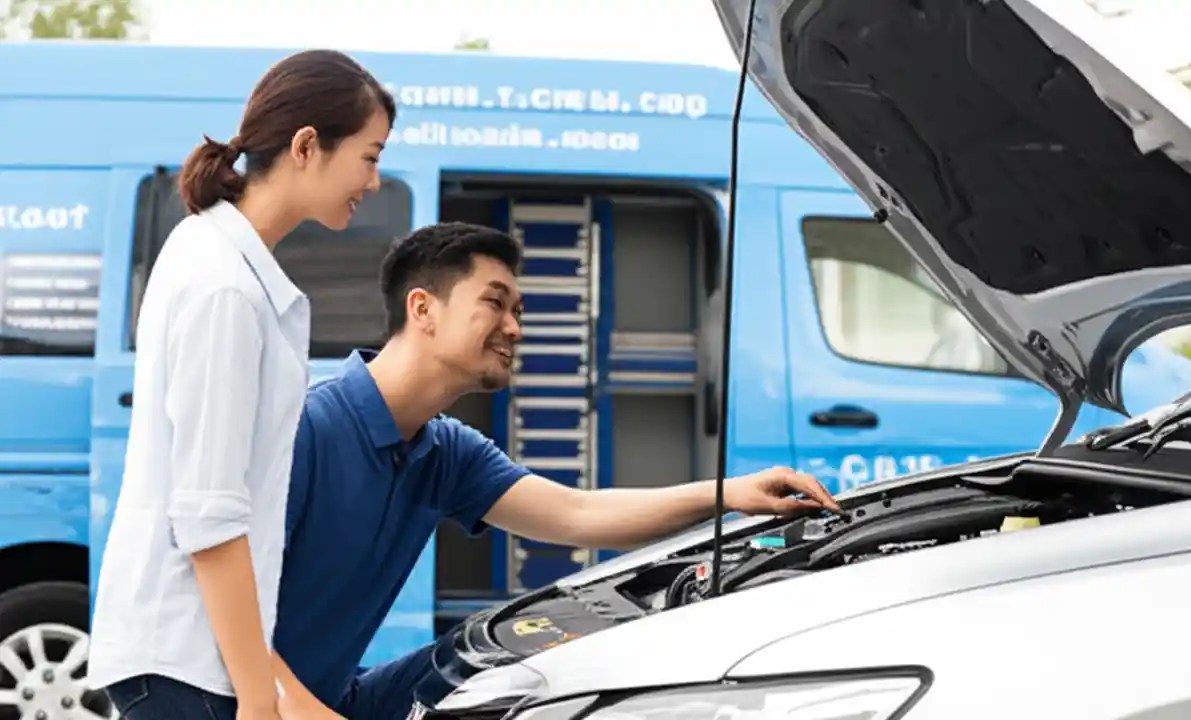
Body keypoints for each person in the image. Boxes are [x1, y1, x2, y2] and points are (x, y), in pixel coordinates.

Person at [269, 222, 843, 720]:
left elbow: (577, 512)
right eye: (494, 303)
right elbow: (213, 616)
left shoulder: (444, 452)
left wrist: (730, 493)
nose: (515, 328)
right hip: (243, 703)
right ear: (423, 309)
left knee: (511, 658)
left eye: (518, 311)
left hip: (333, 700)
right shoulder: (307, 429)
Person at [87, 49, 395, 720]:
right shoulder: (225, 286)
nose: (373, 181)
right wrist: (261, 695)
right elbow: (209, 512)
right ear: (308, 146)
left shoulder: (219, 259)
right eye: (369, 157)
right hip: (186, 662)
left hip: (188, 657)